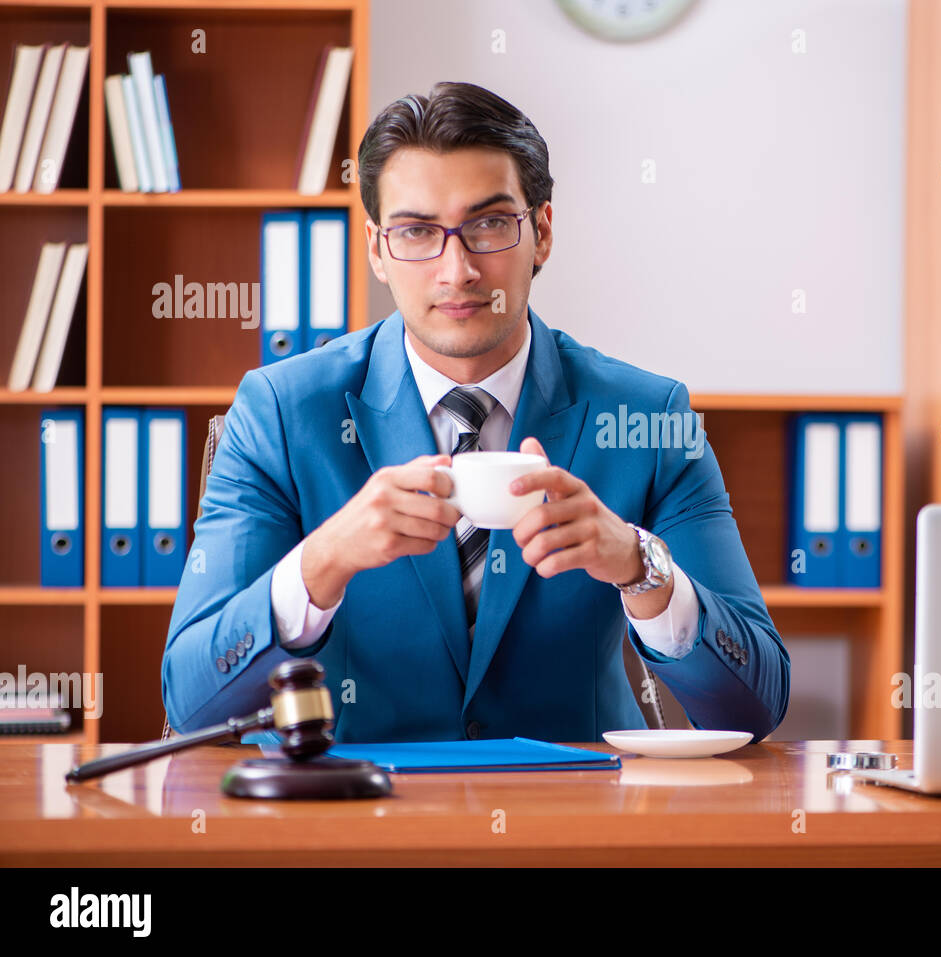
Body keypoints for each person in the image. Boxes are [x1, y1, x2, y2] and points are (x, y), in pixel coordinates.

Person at [162, 81, 790, 743]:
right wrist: (323, 562)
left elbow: (753, 709)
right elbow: (192, 705)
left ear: (541, 232)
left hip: (576, 828)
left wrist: (640, 566)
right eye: (415, 232)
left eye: (489, 224)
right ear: (377, 249)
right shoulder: (282, 413)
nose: (456, 269)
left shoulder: (647, 417)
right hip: (352, 823)